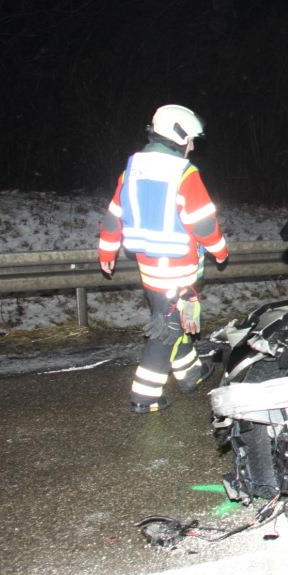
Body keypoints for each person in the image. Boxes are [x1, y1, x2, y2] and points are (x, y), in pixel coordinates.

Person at [98, 104, 228, 413]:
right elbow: (203, 223)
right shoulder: (184, 173)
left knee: (172, 320)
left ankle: (191, 372)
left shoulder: (133, 169)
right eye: (190, 139)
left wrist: (107, 250)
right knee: (166, 332)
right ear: (178, 136)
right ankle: (145, 397)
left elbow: (115, 214)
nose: (192, 146)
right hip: (177, 270)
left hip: (149, 267)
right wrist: (220, 250)